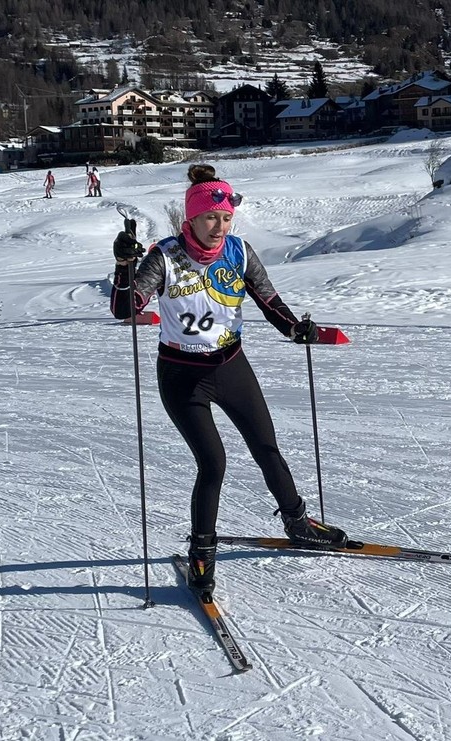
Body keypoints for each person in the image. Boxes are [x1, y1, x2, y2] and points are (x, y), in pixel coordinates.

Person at [109, 164, 346, 594]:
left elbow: (267, 297)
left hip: (230, 364)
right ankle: (201, 553)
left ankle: (297, 522)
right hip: (182, 376)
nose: (218, 226)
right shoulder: (163, 256)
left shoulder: (239, 251)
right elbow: (127, 309)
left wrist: (294, 329)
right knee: (213, 462)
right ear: (191, 220)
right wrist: (125, 267)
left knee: (266, 445)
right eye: (209, 218)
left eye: (225, 218)